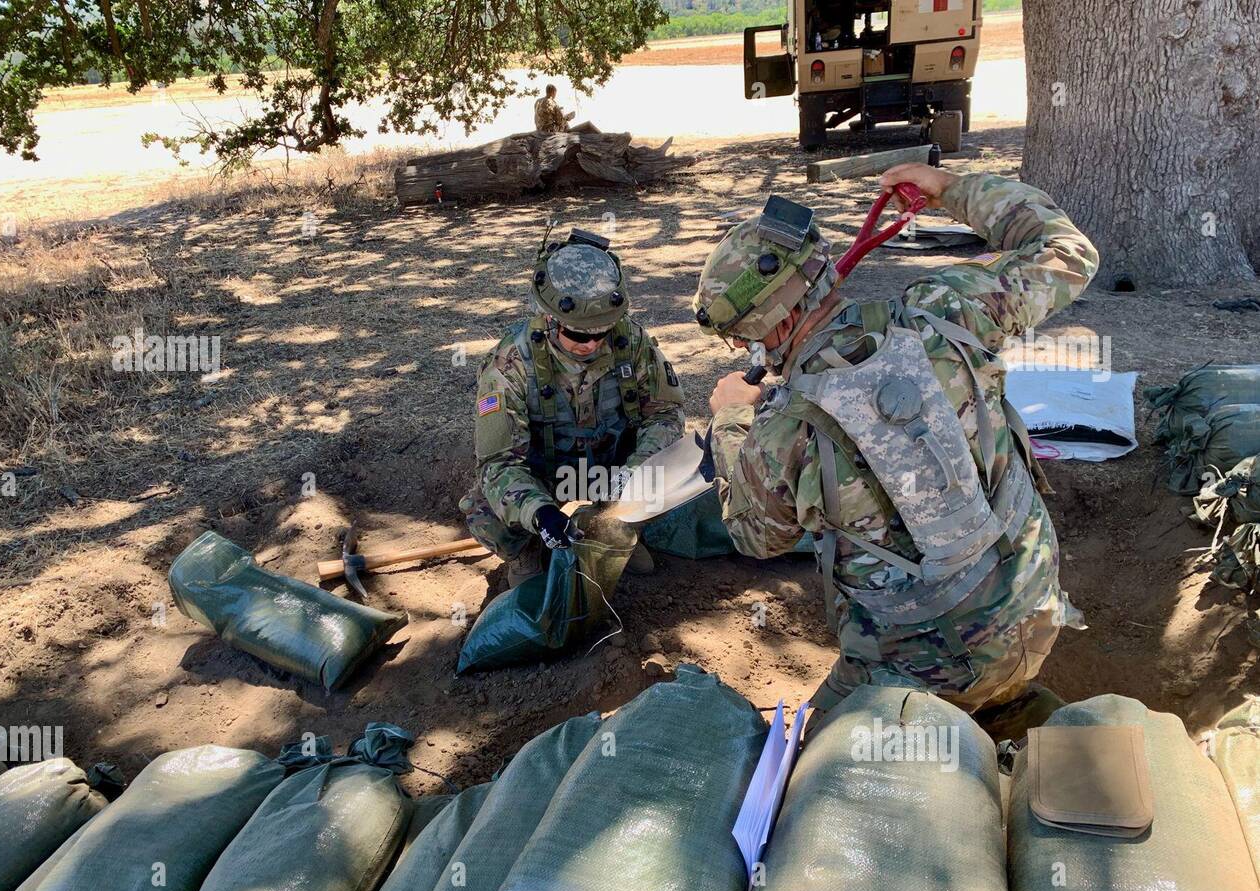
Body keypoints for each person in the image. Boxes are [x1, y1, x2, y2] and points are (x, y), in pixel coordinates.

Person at [692, 163, 1100, 714]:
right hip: (1034, 608)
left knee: (805, 771)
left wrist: (732, 422)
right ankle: (1013, 714)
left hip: (920, 674)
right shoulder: (946, 309)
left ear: (773, 329)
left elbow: (756, 538)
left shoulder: (782, 432)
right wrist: (954, 189)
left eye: (739, 336)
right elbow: (1066, 250)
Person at [461, 229, 686, 587]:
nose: (591, 344)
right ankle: (528, 551)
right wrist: (540, 512)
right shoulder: (509, 364)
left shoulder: (632, 342)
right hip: (545, 476)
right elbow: (498, 463)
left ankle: (615, 531)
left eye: (602, 333)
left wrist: (635, 473)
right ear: (550, 319)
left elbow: (665, 416)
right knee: (484, 510)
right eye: (579, 335)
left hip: (612, 470)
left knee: (671, 472)